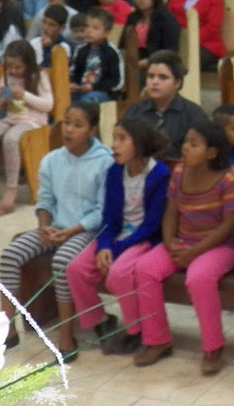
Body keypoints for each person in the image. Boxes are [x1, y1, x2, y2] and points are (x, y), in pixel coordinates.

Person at [129, 120, 234, 374]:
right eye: (186, 142)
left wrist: (195, 251)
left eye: (194, 144)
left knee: (199, 277)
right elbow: (171, 212)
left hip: (224, 246)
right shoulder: (180, 172)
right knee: (145, 268)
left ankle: (213, 346)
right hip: (185, 241)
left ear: (212, 152)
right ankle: (157, 339)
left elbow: (229, 224)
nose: (185, 148)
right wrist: (170, 243)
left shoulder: (230, 178)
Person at [0, 103, 111, 354]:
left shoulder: (105, 162)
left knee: (62, 262)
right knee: (10, 255)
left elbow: (103, 211)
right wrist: (43, 225)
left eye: (78, 125)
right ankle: (8, 329)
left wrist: (71, 232)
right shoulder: (52, 160)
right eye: (66, 123)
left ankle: (67, 335)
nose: (69, 130)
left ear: (92, 130)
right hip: (55, 227)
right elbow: (45, 200)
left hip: (87, 230)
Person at [64, 118, 171, 357]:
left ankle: (136, 330)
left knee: (118, 274)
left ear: (140, 144)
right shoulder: (115, 171)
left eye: (122, 139)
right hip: (115, 238)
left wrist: (116, 248)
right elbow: (110, 218)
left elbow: (152, 225)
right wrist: (103, 245)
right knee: (75, 269)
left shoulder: (159, 174)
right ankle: (100, 319)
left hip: (143, 240)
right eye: (114, 138)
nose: (114, 145)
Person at [0, 40, 53, 216]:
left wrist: (25, 95)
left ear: (29, 63)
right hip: (11, 118)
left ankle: (11, 189)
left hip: (34, 122)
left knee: (11, 139)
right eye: (10, 67)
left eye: (18, 67)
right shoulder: (8, 76)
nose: (14, 71)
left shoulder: (38, 76)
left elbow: (48, 105)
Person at [121, 51, 210, 157]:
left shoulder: (194, 115)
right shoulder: (135, 111)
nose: (154, 82)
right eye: (150, 76)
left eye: (163, 77)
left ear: (177, 83)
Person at [167, 0, 227, 70]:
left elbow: (213, 28)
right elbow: (168, 20)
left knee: (185, 63)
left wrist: (189, 40)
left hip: (206, 44)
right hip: (177, 41)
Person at [69, 9, 122, 107]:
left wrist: (94, 87)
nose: (89, 31)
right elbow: (74, 72)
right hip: (80, 90)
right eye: (87, 26)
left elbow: (116, 81)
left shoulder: (111, 52)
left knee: (88, 101)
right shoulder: (81, 50)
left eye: (95, 28)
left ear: (106, 33)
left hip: (102, 92)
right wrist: (73, 83)